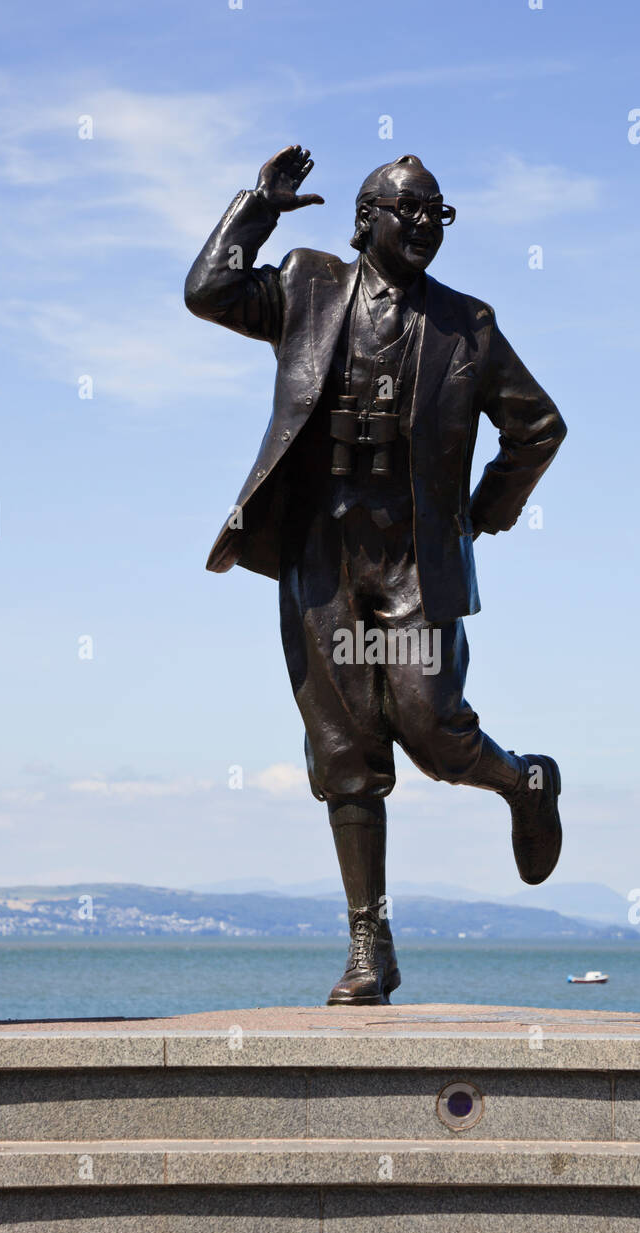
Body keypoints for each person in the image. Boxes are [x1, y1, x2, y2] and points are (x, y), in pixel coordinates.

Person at [185, 145, 567, 1005]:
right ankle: (370, 946)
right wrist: (258, 208)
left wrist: (484, 512)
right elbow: (208, 292)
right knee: (343, 751)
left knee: (432, 731)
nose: (428, 226)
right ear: (367, 221)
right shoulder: (308, 287)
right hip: (321, 555)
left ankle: (523, 780)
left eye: (440, 214)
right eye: (412, 212)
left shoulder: (469, 325)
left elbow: (539, 426)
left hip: (413, 562)